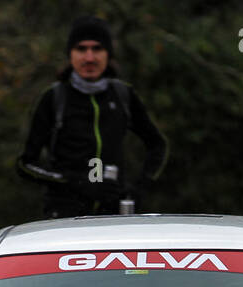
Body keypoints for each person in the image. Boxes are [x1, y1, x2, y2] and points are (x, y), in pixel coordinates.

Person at [17, 15, 168, 218]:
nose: (89, 58)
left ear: (108, 54)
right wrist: (74, 182)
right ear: (70, 54)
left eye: (97, 49)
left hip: (114, 216)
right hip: (64, 215)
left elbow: (158, 145)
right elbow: (25, 165)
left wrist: (138, 188)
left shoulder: (123, 95)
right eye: (81, 49)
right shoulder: (54, 98)